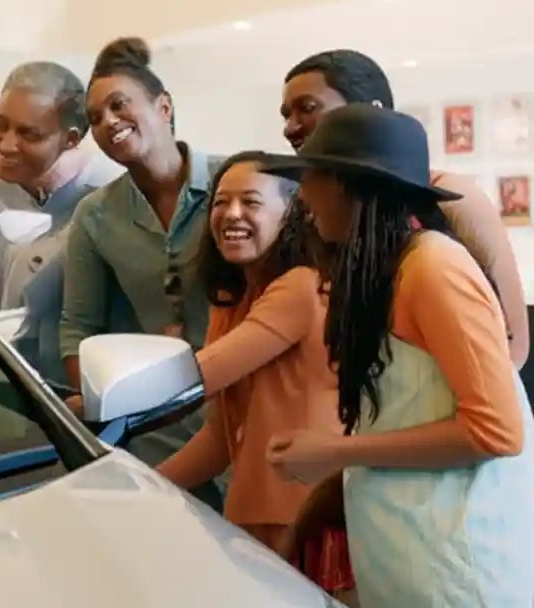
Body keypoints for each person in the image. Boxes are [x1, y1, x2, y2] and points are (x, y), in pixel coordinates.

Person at [264, 104, 534, 608]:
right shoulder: (390, 272)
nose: (303, 196)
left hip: (459, 576)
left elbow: (497, 431)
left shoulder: (432, 267)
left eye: (310, 178)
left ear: (344, 183)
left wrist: (334, 452)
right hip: (416, 564)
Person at [280, 48, 528, 368]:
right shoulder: (306, 209)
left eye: (307, 108)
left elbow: (512, 343)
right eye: (286, 114)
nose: (290, 127)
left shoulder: (453, 200)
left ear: (371, 110)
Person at [59, 36, 225, 510]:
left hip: (246, 418)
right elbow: (78, 330)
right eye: (94, 118)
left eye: (118, 105)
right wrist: (108, 405)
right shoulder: (95, 215)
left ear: (164, 106)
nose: (107, 122)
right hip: (158, 431)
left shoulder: (235, 184)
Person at [155, 151, 339, 553]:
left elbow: (194, 378)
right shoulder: (232, 300)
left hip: (307, 522)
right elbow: (218, 439)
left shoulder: (301, 287)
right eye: (220, 202)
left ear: (295, 212)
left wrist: (93, 402)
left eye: (250, 202)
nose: (231, 214)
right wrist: (143, 489)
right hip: (252, 521)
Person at [0, 61, 118, 317]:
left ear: (70, 139)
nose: (6, 145)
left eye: (29, 134)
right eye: (0, 124)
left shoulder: (109, 191)